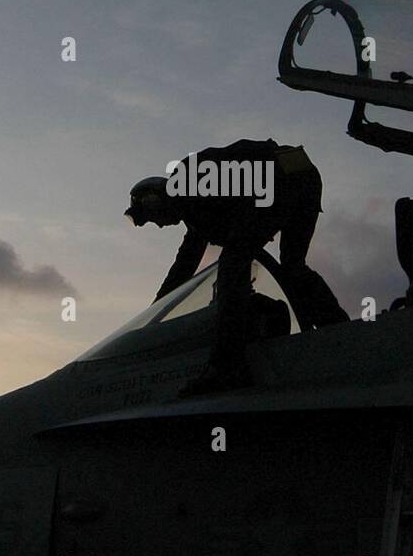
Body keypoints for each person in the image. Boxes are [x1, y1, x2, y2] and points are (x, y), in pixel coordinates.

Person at [125, 139, 348, 395]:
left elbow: (197, 258)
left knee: (233, 265)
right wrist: (156, 313)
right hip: (301, 171)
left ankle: (226, 369)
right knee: (292, 267)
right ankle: (339, 331)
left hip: (277, 175)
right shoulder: (194, 208)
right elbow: (183, 268)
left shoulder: (188, 181)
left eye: (154, 219)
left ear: (155, 200)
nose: (161, 226)